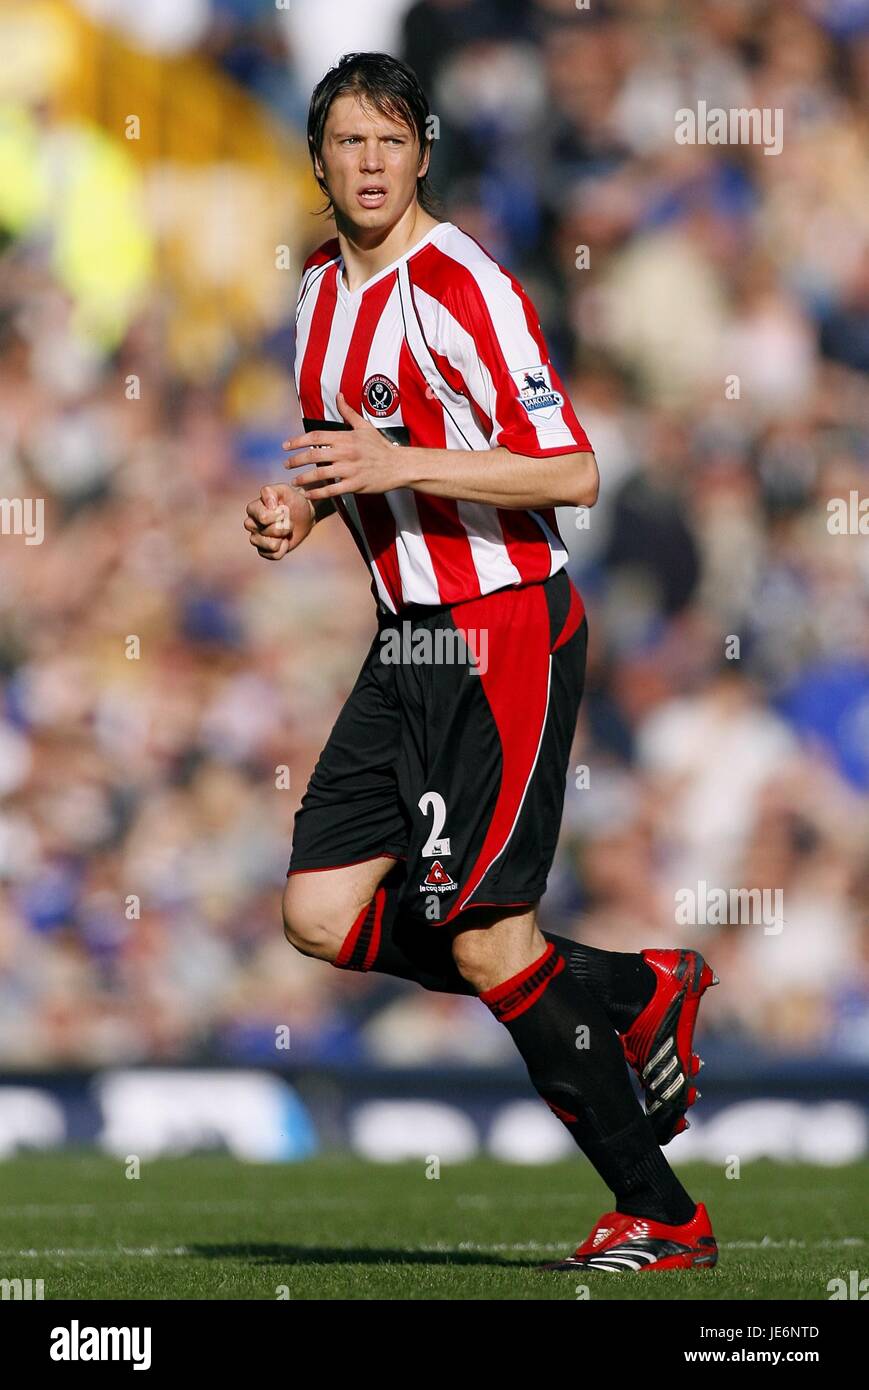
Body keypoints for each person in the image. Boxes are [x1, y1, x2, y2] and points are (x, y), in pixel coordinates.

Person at [244, 51, 718, 1272]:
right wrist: (299, 510)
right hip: (404, 638)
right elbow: (339, 453)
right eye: (348, 141)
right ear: (317, 158)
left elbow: (573, 470)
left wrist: (400, 462)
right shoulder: (316, 291)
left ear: (422, 155)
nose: (369, 163)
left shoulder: (466, 286)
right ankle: (632, 989)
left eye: (390, 141)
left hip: (500, 626)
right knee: (318, 910)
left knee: (485, 941)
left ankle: (662, 1213)